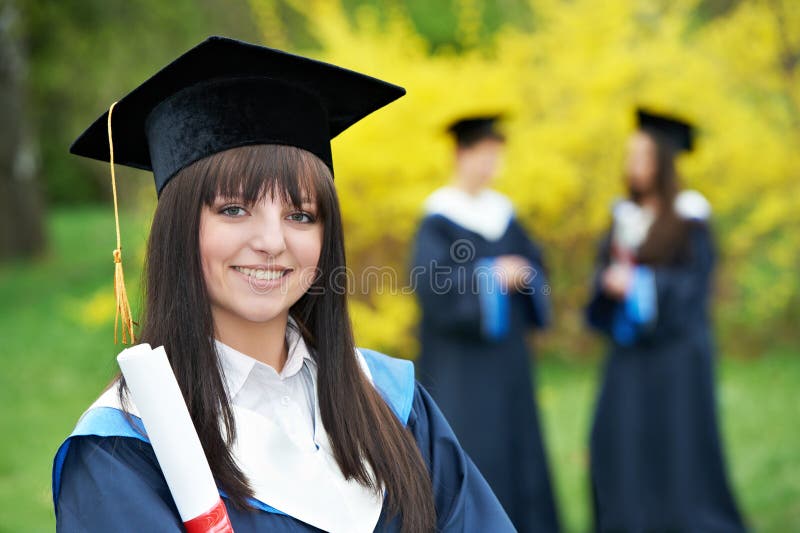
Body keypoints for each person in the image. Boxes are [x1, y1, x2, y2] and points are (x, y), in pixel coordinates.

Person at [51, 36, 515, 532]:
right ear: (179, 229)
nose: (272, 241)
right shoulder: (124, 451)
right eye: (234, 209)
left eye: (300, 215)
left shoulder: (392, 403)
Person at [586, 108, 747, 532]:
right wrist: (607, 284)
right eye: (629, 156)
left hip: (678, 359)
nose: (632, 165)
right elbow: (600, 282)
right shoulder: (624, 218)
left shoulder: (690, 218)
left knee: (678, 449)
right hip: (629, 356)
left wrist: (638, 285)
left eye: (641, 156)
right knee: (615, 440)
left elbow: (693, 289)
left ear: (663, 161)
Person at [411, 115, 560, 532]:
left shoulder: (504, 214)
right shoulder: (438, 219)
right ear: (461, 155)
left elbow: (536, 269)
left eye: (497, 157)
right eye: (483, 155)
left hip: (509, 358)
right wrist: (491, 276)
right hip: (462, 366)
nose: (491, 166)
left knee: (519, 445)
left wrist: (525, 274)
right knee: (474, 444)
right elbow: (431, 287)